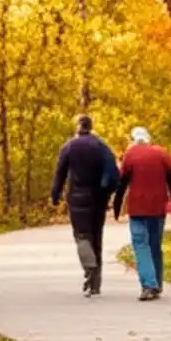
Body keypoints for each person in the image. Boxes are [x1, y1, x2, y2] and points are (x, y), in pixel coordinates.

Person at [51, 114, 120, 297]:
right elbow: (114, 173)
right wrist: (107, 193)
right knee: (97, 237)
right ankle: (96, 283)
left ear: (78, 127)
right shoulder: (101, 146)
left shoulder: (69, 147)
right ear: (91, 126)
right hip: (98, 198)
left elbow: (60, 173)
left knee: (82, 235)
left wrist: (55, 194)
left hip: (77, 198)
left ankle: (89, 267)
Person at [113, 126, 171, 301]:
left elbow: (122, 184)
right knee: (154, 246)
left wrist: (116, 206)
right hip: (158, 209)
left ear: (132, 140)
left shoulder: (130, 155)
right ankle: (156, 284)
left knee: (140, 245)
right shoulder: (162, 154)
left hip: (137, 209)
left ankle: (149, 285)